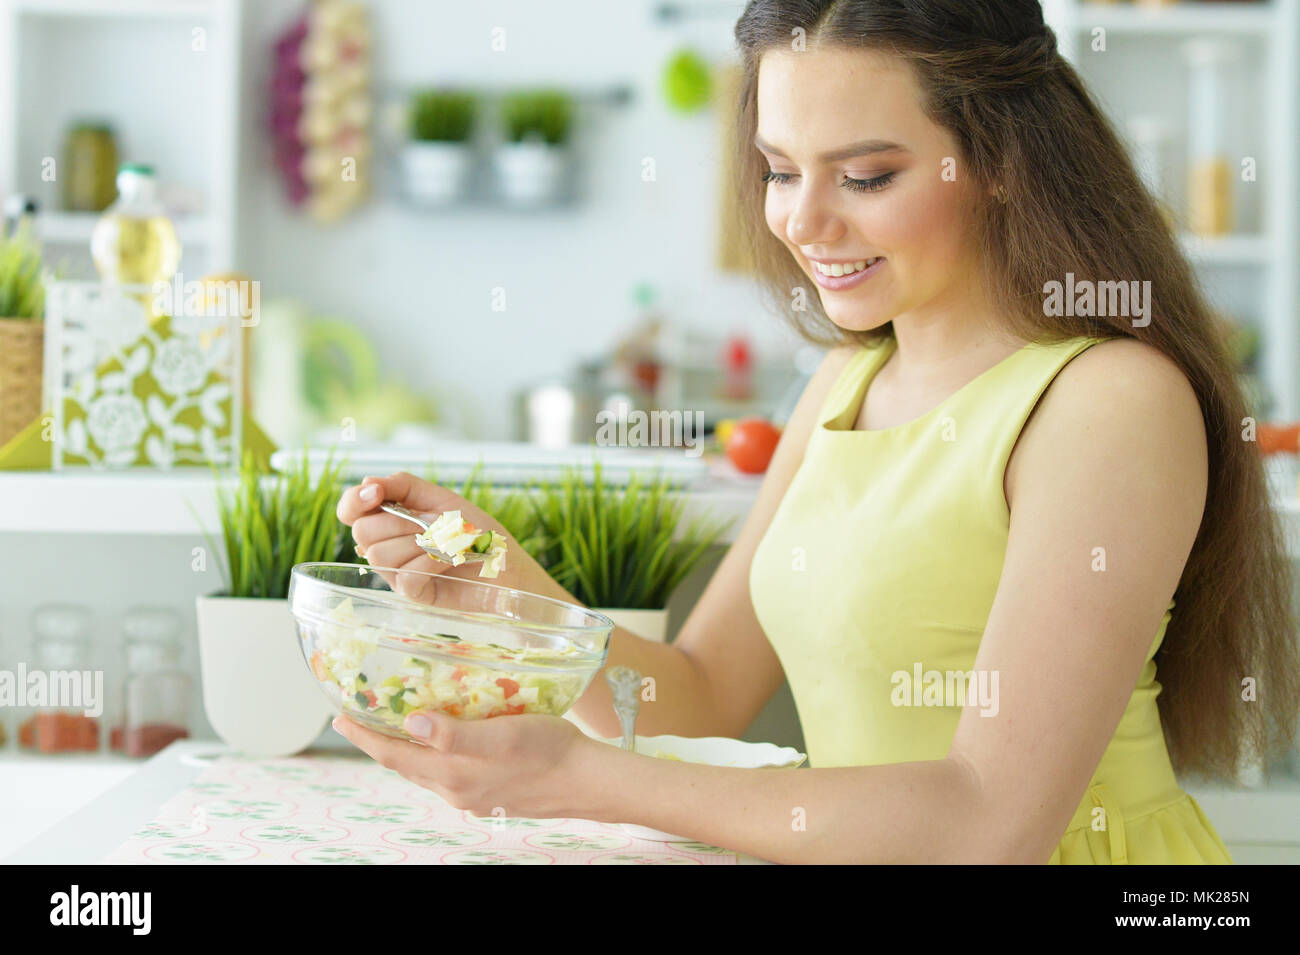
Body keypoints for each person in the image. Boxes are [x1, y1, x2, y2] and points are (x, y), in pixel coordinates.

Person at [334, 0, 1300, 863]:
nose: (803, 220)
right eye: (780, 170)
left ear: (1001, 161)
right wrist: (498, 587)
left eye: (868, 176)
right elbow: (699, 694)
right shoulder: (847, 381)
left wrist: (578, 779)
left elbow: (989, 821)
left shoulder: (1107, 400)